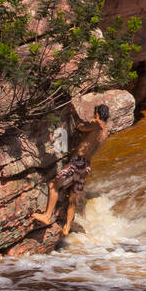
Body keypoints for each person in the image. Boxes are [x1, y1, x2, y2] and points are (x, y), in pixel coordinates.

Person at [31, 102, 111, 237]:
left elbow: (80, 127)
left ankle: (47, 215)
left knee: (53, 185)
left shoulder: (96, 124)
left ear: (97, 113)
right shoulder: (106, 132)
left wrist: (74, 112)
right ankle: (67, 227)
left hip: (77, 162)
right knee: (73, 196)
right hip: (86, 166)